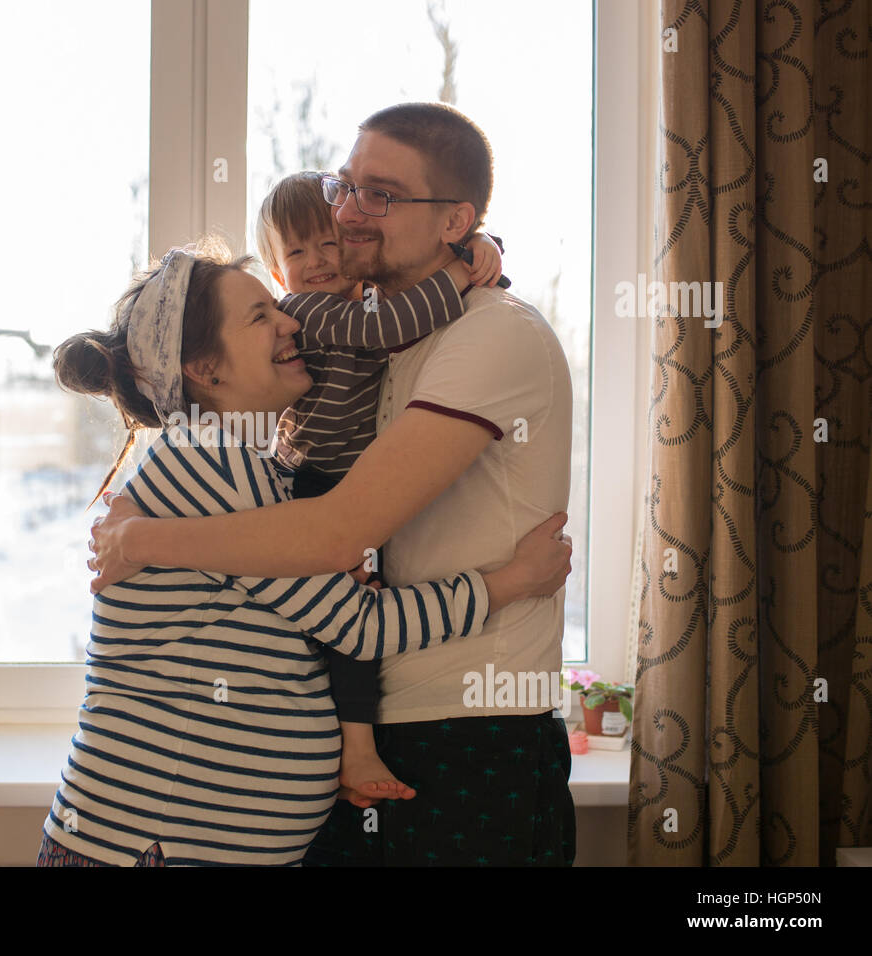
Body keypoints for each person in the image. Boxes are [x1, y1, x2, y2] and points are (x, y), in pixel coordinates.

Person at [88, 102, 577, 866]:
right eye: (344, 187)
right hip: (360, 745)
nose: (347, 212)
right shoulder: (247, 437)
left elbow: (333, 538)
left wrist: (145, 539)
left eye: (377, 195)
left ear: (455, 220)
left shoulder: (489, 332)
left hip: (467, 726)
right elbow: (338, 590)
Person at [252, 170, 506, 806]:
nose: (315, 263)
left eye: (327, 244)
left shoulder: (368, 292)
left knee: (359, 613)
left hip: (361, 484)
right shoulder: (308, 311)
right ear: (278, 271)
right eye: (295, 253)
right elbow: (391, 326)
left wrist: (484, 248)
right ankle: (353, 746)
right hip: (312, 482)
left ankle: (348, 740)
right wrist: (459, 269)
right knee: (343, 620)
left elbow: (419, 286)